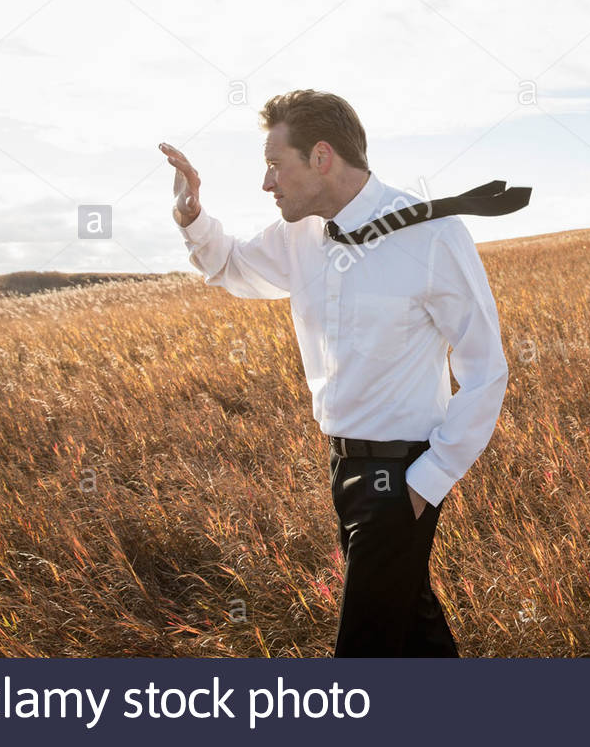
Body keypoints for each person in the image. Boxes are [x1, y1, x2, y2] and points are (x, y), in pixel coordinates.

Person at [159, 89, 512, 657]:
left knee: (363, 650)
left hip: (400, 479)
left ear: (321, 156)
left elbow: (485, 368)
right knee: (414, 632)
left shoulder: (432, 236)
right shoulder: (301, 235)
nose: (267, 183)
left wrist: (427, 482)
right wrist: (190, 217)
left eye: (276, 165)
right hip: (342, 468)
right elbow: (230, 265)